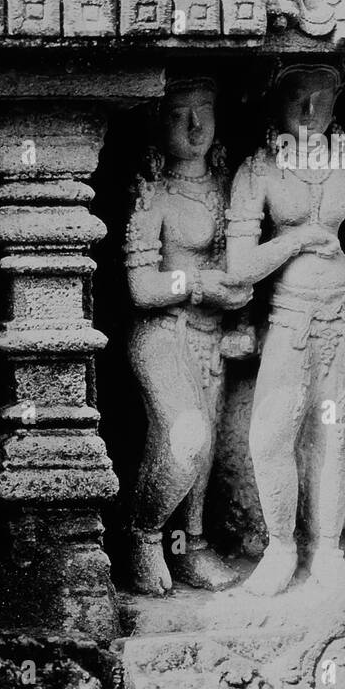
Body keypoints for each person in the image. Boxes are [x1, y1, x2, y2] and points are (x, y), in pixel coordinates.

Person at [226, 63, 345, 596]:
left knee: (335, 438)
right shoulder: (258, 171)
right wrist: (298, 239)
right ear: (276, 103)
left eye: (322, 101)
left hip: (343, 324)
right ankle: (280, 546)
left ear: (336, 104)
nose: (309, 112)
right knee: (272, 436)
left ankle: (326, 549)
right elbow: (239, 267)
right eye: (299, 99)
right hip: (289, 321)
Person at [124, 77, 251, 595]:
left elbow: (242, 267)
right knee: (186, 438)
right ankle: (142, 537)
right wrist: (196, 283)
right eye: (180, 115)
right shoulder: (153, 193)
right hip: (162, 332)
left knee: (208, 450)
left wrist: (242, 319)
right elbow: (140, 286)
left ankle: (191, 547)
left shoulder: (228, 189)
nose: (196, 127)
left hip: (210, 336)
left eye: (204, 111)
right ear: (157, 123)